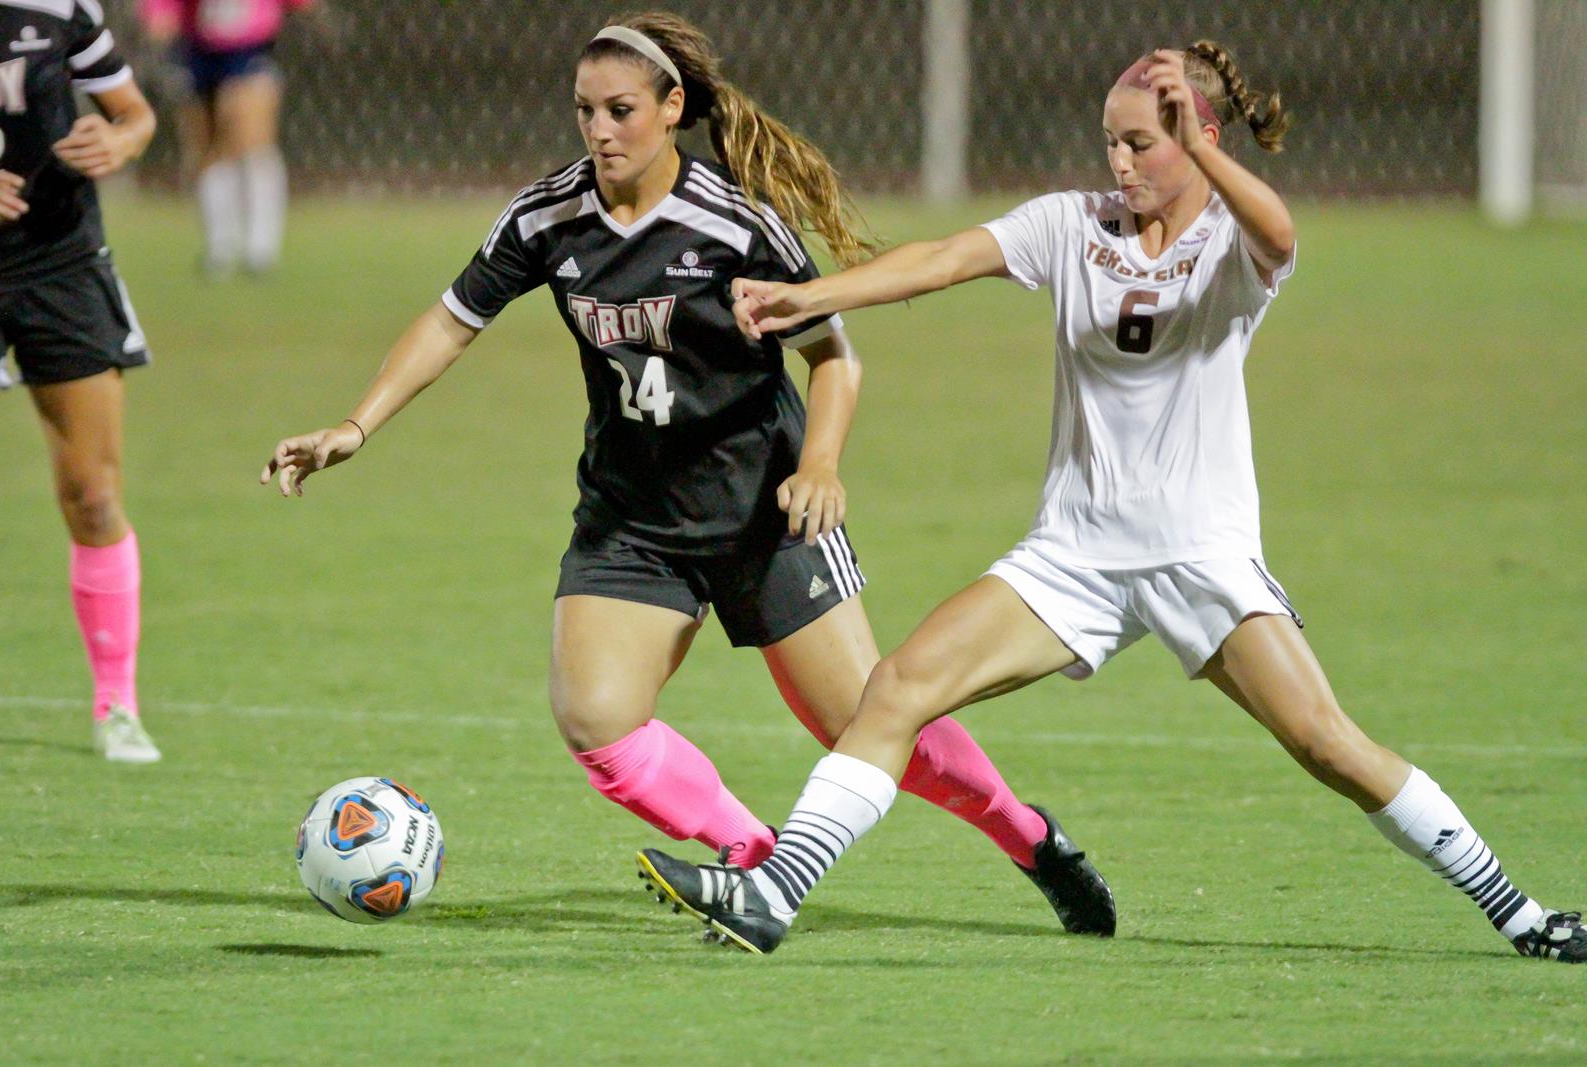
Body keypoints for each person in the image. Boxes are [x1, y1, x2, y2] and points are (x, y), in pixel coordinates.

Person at [636, 42, 1587, 962]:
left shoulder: (1231, 244)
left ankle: (1525, 915)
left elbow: (1280, 235)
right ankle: (775, 893)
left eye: (1141, 143)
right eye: (1110, 141)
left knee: (1328, 744)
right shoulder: (1074, 225)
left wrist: (1205, 154)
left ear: (1200, 138)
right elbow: (945, 256)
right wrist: (814, 298)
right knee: (897, 687)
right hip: (1074, 556)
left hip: (1199, 555)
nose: (1119, 162)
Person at [260, 12, 1115, 944]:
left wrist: (821, 465)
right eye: (584, 110)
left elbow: (833, 355)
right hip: (632, 516)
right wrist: (355, 425)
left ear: (672, 108)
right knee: (596, 717)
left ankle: (1031, 838)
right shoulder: (548, 215)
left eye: (620, 110)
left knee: (865, 719)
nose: (599, 131)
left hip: (764, 510)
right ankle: (751, 857)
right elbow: (450, 320)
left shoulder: (734, 221)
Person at [0, 0, 160, 762]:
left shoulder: (57, 7)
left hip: (59, 263)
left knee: (92, 494)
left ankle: (116, 703)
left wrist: (118, 139)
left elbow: (135, 115)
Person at [138, 0, 317, 276]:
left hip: (250, 46)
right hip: (198, 48)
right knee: (207, 149)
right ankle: (220, 245)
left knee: (253, 143)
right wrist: (160, 14)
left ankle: (260, 247)